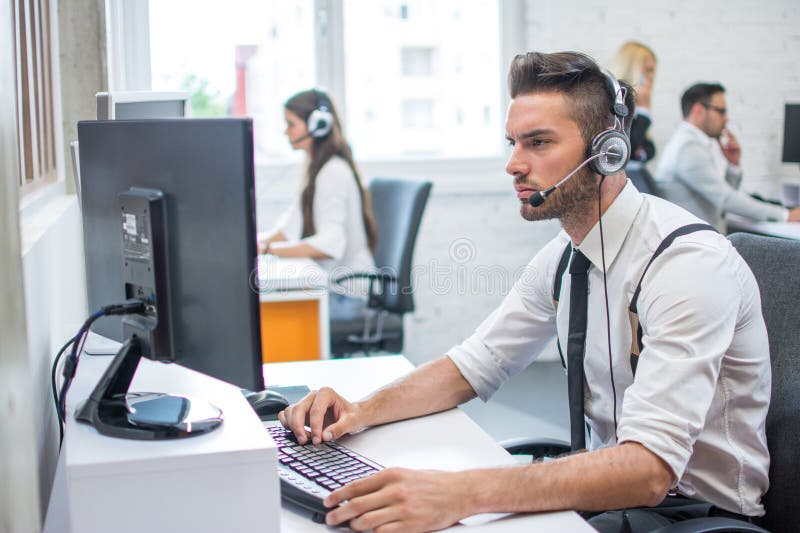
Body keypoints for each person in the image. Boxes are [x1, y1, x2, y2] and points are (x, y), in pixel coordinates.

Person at [279, 52, 771, 533]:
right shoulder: (565, 256)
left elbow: (648, 471)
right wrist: (361, 409)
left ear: (607, 151)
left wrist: (462, 493)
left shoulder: (686, 266)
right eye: (513, 142)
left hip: (700, 517)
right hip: (616, 504)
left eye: (537, 142)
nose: (514, 164)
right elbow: (472, 365)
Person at [257, 89, 378, 320]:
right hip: (332, 290)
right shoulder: (317, 170)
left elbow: (328, 245)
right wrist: (255, 244)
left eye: (291, 124)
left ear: (318, 125)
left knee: (276, 318)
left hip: (346, 296)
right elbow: (287, 229)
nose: (286, 131)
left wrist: (266, 250)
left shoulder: (333, 173)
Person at [657, 82, 800, 230]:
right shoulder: (687, 148)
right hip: (701, 244)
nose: (726, 118)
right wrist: (786, 215)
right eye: (721, 111)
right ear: (699, 111)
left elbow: (720, 196)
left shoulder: (686, 142)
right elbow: (726, 199)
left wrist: (733, 165)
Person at [612, 41, 657, 164]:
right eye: (648, 70)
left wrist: (640, 152)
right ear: (632, 70)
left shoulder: (636, 103)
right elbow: (627, 148)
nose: (652, 76)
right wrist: (643, 111)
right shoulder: (613, 103)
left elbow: (650, 149)